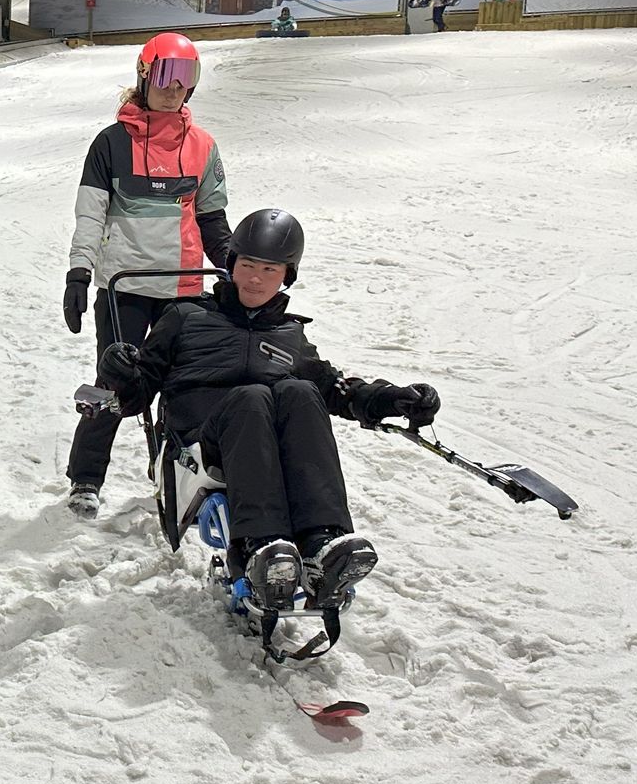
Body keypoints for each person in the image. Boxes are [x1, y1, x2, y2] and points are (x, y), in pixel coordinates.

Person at [101, 208, 440, 611]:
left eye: (269, 270)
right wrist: (120, 373)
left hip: (263, 441)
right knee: (252, 396)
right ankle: (258, 547)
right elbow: (136, 395)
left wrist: (391, 399)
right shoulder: (185, 317)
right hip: (198, 447)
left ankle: (323, 545)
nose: (256, 279)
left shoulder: (290, 335)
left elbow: (339, 390)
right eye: (247, 265)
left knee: (301, 390)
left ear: (286, 277)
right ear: (231, 265)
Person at [62, 31, 229, 519]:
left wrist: (239, 267)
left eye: (186, 78)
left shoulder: (202, 147)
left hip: (184, 287)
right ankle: (86, 478)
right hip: (126, 287)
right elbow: (91, 216)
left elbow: (213, 220)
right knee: (114, 385)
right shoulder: (110, 144)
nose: (175, 88)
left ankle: (177, 473)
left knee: (188, 386)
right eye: (166, 76)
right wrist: (78, 273)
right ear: (144, 76)